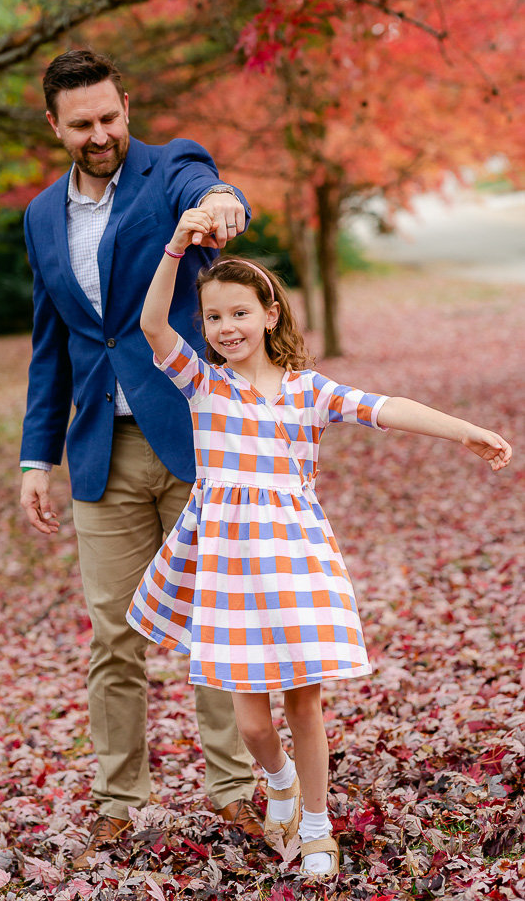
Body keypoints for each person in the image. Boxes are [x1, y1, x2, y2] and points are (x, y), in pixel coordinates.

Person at [127, 208, 512, 879]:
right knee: (252, 724)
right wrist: (174, 248)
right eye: (214, 318)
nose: (226, 327)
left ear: (270, 314)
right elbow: (152, 324)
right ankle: (277, 778)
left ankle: (315, 825)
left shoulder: (309, 391)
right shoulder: (203, 383)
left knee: (303, 702)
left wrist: (464, 430)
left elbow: (384, 407)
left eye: (240, 313)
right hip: (228, 566)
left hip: (294, 558)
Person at [19, 49, 261, 868]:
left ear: (126, 105)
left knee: (214, 626)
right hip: (101, 453)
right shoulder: (40, 217)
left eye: (108, 117)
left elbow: (209, 188)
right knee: (114, 636)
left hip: (195, 439)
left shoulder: (169, 172)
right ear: (54, 125)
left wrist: (220, 202)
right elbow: (51, 343)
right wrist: (34, 458)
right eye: (80, 124)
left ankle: (236, 789)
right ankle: (119, 800)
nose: (99, 135)